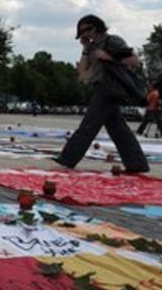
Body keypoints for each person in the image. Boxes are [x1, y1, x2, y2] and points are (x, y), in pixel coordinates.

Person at [54, 14, 148, 173]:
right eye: (81, 34)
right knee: (118, 129)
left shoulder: (113, 41)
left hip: (110, 89)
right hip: (101, 88)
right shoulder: (92, 48)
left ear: (95, 28)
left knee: (89, 125)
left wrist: (108, 58)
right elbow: (83, 74)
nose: (84, 36)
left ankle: (67, 159)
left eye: (86, 31)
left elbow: (134, 61)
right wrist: (85, 50)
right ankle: (137, 164)